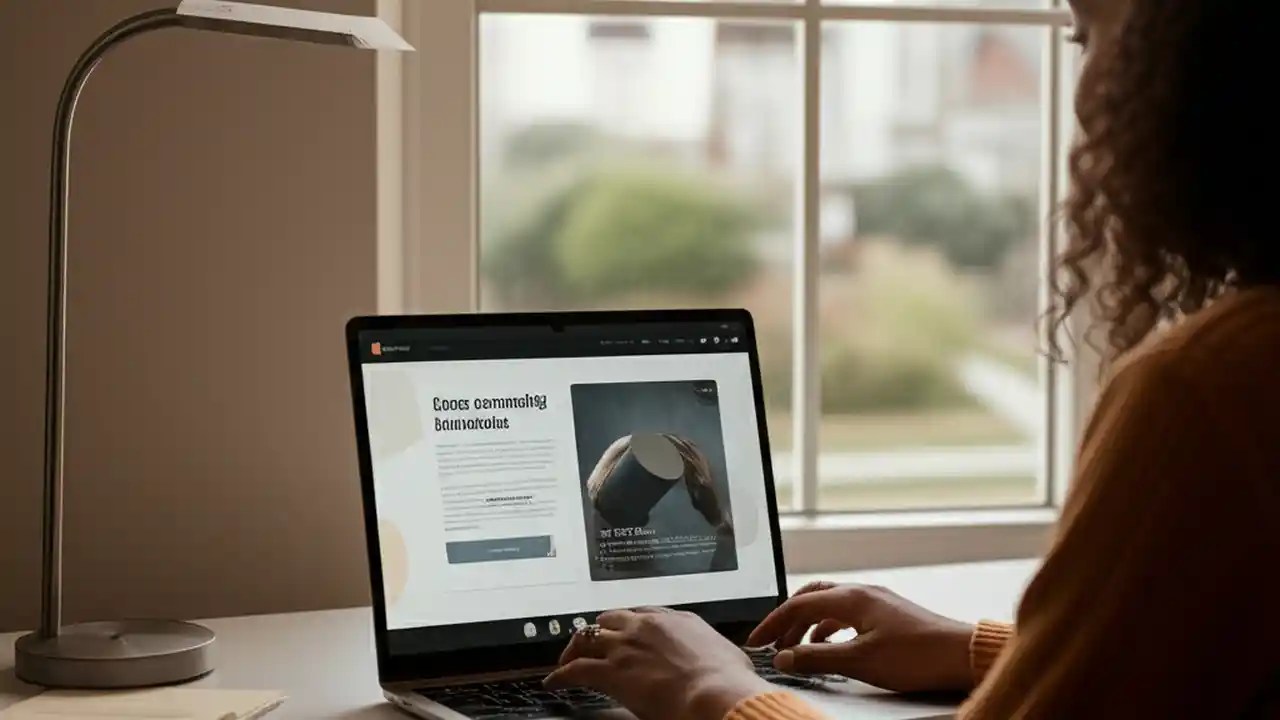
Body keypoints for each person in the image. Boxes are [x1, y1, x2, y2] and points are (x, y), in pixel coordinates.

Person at [544, 0, 1280, 717]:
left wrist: (712, 691)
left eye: (1085, 38)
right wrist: (976, 650)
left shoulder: (1210, 389)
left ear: (1200, 59)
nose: (1084, 103)